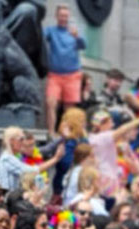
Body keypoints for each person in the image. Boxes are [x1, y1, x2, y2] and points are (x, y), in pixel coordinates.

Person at [43, 4, 87, 137]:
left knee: (69, 108)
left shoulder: (74, 32)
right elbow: (39, 37)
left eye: (66, 16)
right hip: (55, 75)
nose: (63, 18)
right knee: (51, 102)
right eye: (61, 15)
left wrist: (77, 36)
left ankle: (67, 134)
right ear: (56, 16)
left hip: (72, 75)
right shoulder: (51, 30)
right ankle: (51, 132)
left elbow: (83, 45)